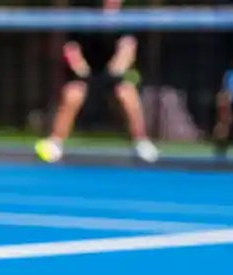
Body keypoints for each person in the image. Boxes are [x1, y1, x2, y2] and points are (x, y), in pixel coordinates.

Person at [34, 0, 159, 165]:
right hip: (85, 73)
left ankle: (141, 142)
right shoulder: (83, 19)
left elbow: (127, 50)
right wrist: (84, 74)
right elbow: (72, 50)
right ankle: (55, 143)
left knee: (126, 93)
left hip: (112, 74)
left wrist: (111, 76)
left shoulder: (126, 21)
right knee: (72, 94)